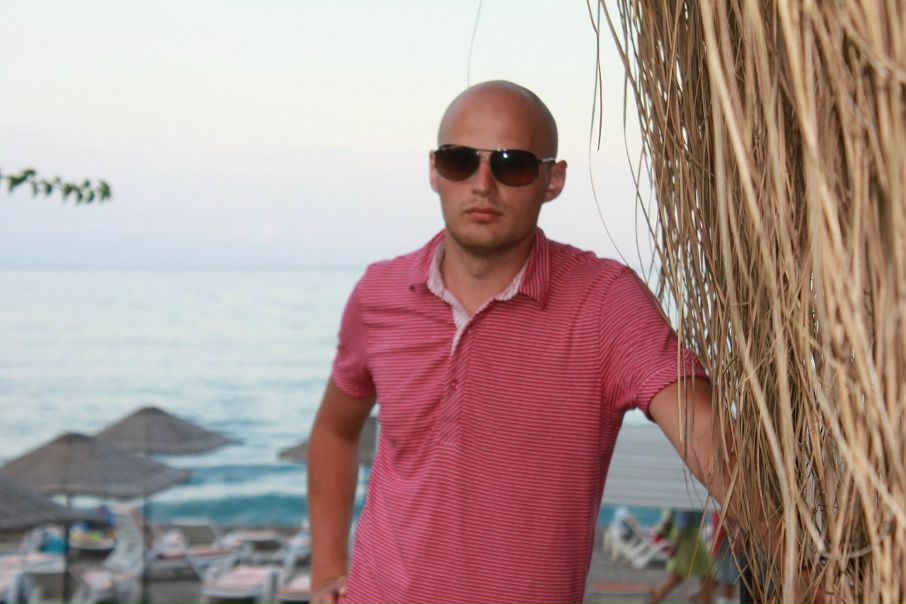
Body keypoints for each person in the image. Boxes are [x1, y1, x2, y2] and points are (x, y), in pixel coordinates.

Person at [306, 80, 718, 604]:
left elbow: (707, 436)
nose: (483, 184)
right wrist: (326, 573)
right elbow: (334, 431)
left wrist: (802, 562)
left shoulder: (605, 303)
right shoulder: (378, 294)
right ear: (434, 170)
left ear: (553, 180)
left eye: (512, 164)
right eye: (460, 160)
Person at [649, 510, 715, 604]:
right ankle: (704, 600)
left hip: (686, 537)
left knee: (680, 575)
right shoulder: (688, 504)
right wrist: (676, 545)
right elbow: (683, 521)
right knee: (706, 574)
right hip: (687, 538)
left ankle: (655, 597)